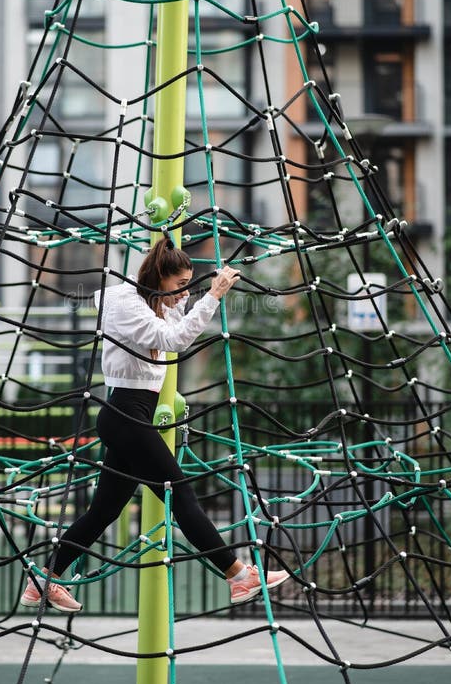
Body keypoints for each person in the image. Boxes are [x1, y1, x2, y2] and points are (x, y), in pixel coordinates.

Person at [21, 238, 289, 612]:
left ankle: (42, 582)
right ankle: (239, 577)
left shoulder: (154, 305)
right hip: (126, 413)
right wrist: (212, 297)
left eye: (187, 285)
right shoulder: (127, 305)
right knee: (181, 494)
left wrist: (184, 300)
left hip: (131, 415)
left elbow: (173, 327)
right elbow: (174, 341)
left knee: (103, 511)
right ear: (159, 277)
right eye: (178, 285)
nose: (183, 293)